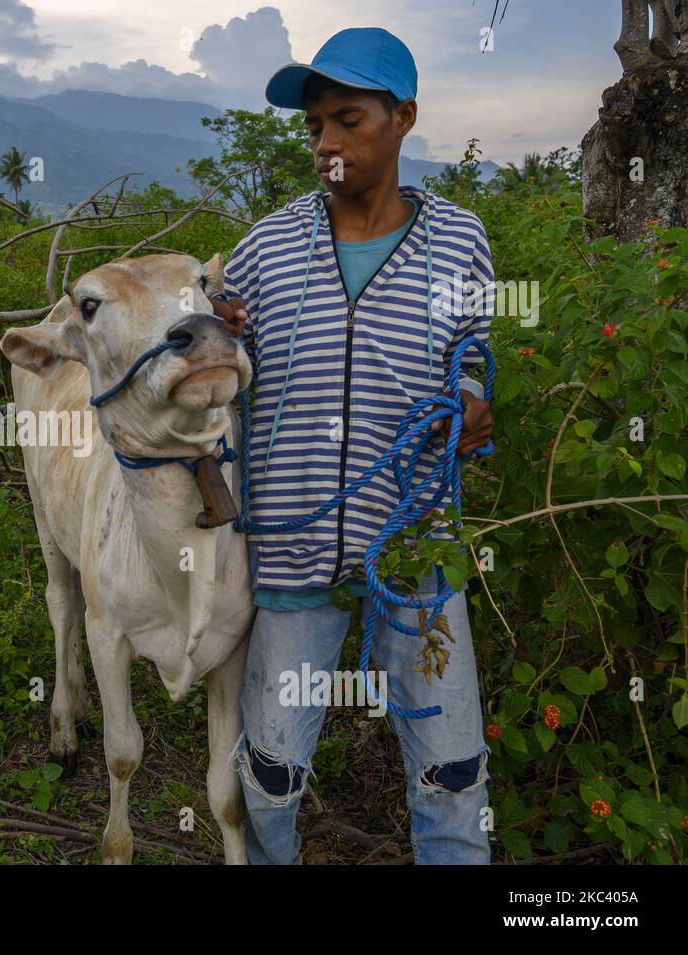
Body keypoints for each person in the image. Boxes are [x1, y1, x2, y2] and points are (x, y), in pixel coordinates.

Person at [210, 27, 496, 865]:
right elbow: (218, 358)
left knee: (452, 776)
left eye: (347, 120)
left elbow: (472, 358)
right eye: (314, 127)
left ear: (403, 117)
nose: (325, 144)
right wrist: (219, 334)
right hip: (293, 553)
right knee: (269, 776)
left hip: (415, 555)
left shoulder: (460, 242)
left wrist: (476, 407)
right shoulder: (265, 248)